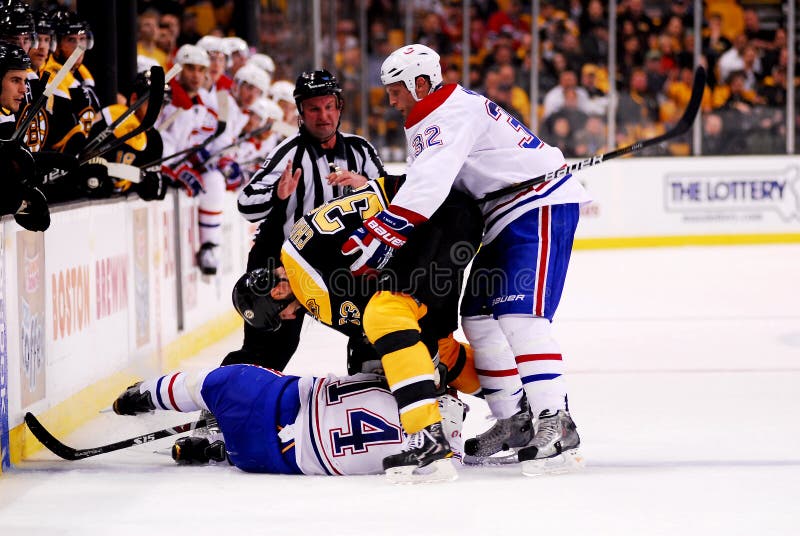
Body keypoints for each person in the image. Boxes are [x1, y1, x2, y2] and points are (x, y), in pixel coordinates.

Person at [344, 44, 590, 475]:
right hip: (500, 213)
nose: (391, 99)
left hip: (537, 203)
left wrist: (383, 228)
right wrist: (379, 190)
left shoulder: (449, 112)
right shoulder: (430, 115)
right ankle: (513, 419)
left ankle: (556, 420)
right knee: (477, 318)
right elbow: (433, 178)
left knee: (519, 318)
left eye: (396, 89)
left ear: (421, 84)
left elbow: (432, 182)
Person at [225, 70, 384, 371]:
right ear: (300, 112)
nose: (323, 116)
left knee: (374, 330)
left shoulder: (360, 150)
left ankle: (370, 391)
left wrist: (364, 184)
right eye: (313, 108)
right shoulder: (288, 153)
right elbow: (246, 203)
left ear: (339, 107)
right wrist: (278, 195)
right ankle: (222, 400)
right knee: (268, 352)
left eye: (328, 106)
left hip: (342, 265)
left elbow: (394, 199)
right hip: (282, 264)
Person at [111, 364, 467, 482]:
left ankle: (144, 395)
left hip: (268, 402)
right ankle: (217, 451)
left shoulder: (404, 386)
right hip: (263, 459)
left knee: (213, 382)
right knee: (274, 449)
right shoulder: (428, 457)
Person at [0, 42, 49, 232]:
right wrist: (18, 203)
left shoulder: (6, 118)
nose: (24, 89)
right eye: (15, 80)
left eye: (24, 81)